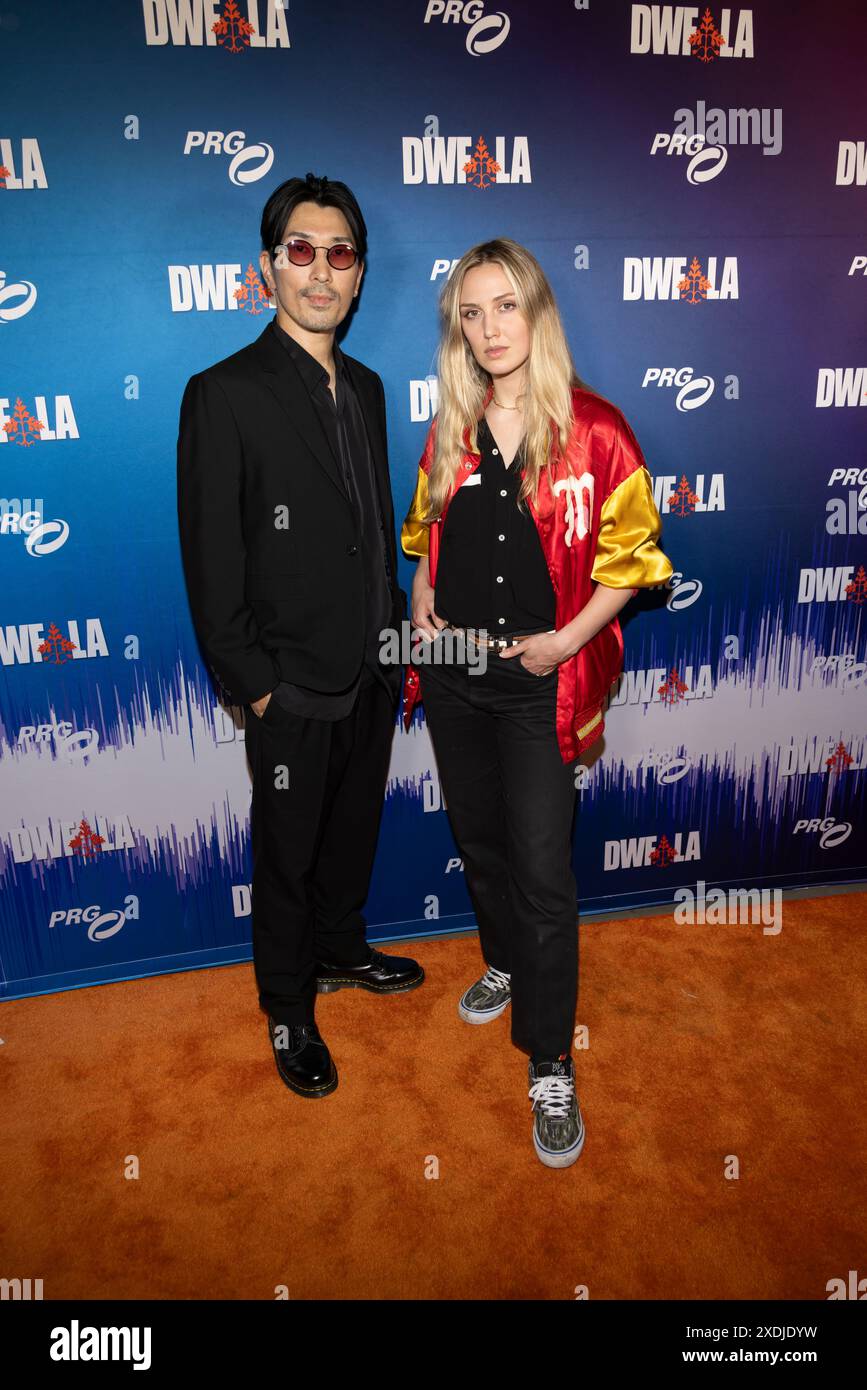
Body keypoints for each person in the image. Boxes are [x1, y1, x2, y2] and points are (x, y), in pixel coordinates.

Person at [400, 238, 673, 1166]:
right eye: (470, 314)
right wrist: (421, 605)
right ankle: (504, 961)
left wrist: (563, 643)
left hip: (539, 684)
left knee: (542, 870)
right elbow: (424, 536)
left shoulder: (595, 427)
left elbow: (633, 566)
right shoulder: (453, 424)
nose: (488, 329)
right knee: (478, 844)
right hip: (454, 678)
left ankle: (549, 1056)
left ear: (538, 312)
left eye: (504, 306)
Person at [177, 172, 423, 1101]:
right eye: (302, 251)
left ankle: (339, 952)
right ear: (267, 269)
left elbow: (369, 527)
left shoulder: (365, 386)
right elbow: (212, 555)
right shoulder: (223, 393)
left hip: (370, 665)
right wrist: (255, 684)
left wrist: (394, 643)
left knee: (351, 830)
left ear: (359, 276)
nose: (322, 272)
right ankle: (287, 1004)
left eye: (341, 254)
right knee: (285, 852)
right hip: (287, 680)